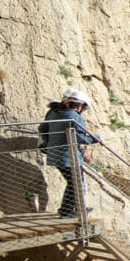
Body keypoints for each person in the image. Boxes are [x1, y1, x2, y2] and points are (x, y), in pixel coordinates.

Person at [40, 88, 100, 217]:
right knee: (75, 182)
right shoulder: (74, 117)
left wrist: (49, 142)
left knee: (73, 182)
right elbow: (80, 137)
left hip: (55, 154)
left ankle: (74, 209)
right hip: (68, 156)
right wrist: (97, 138)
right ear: (79, 105)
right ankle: (67, 211)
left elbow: (42, 128)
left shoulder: (54, 113)